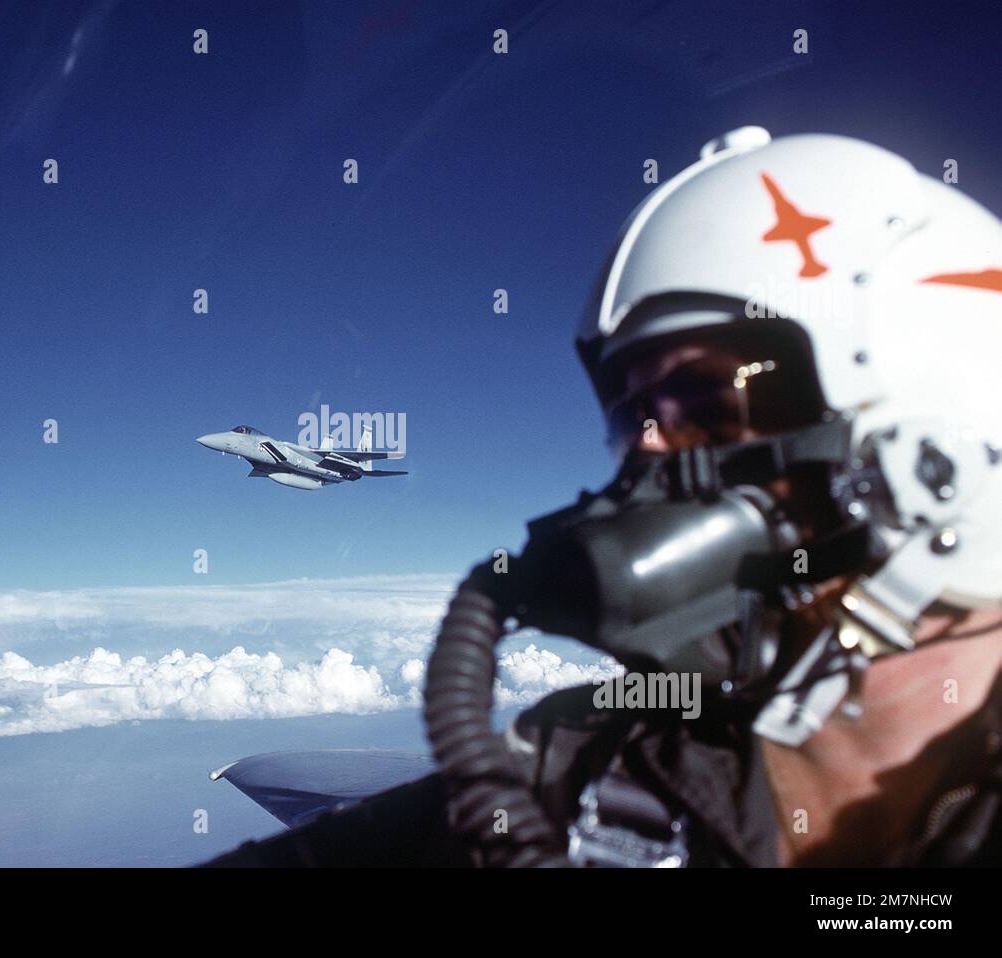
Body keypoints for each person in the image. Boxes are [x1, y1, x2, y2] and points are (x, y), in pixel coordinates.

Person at [206, 128, 1002, 867]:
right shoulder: (589, 766)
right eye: (633, 415)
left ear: (937, 460)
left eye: (710, 394)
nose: (646, 455)